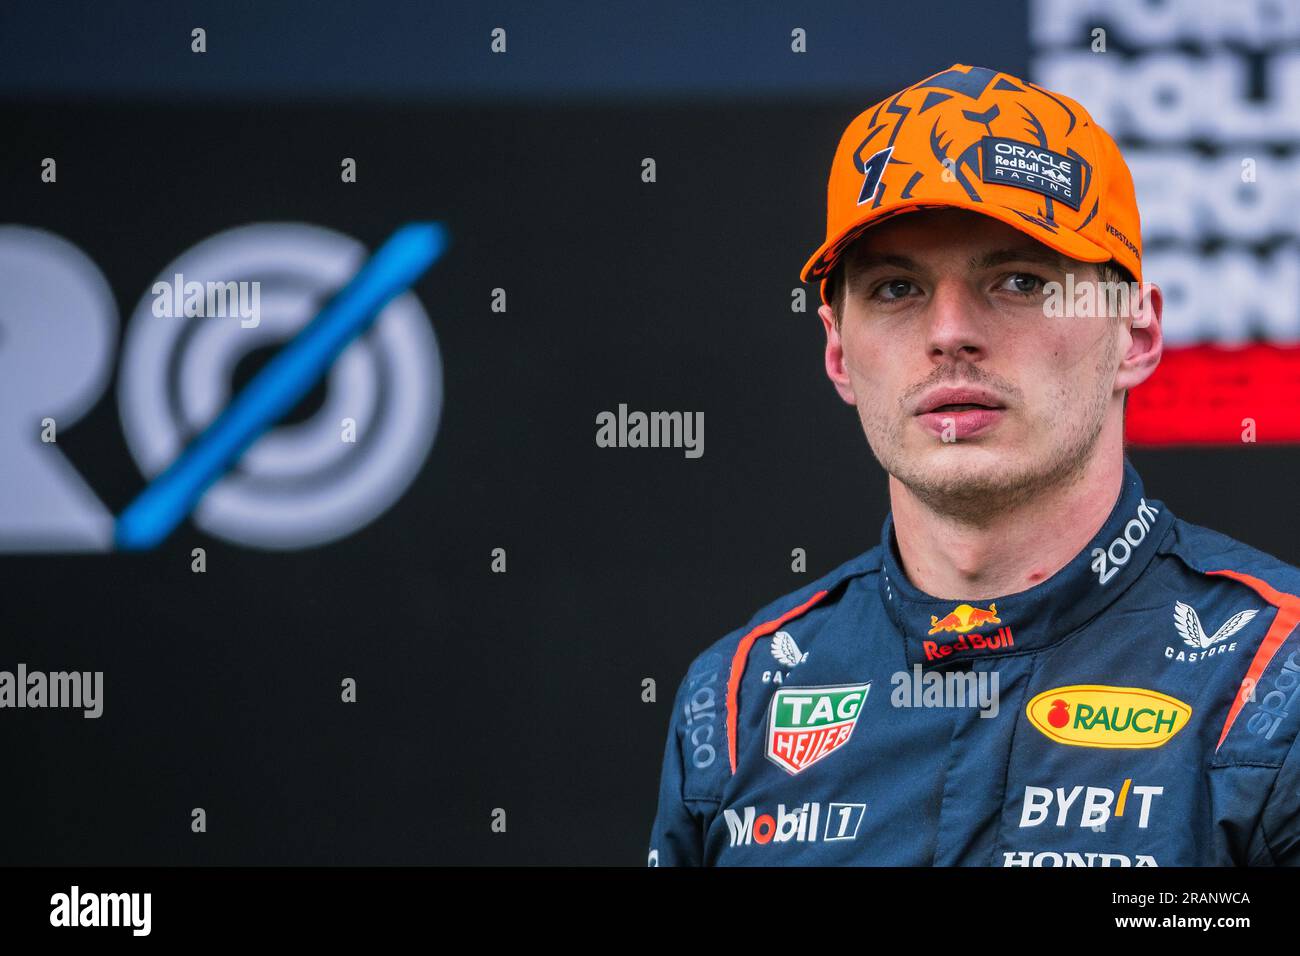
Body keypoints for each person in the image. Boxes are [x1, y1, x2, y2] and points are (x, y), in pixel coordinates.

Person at [647, 63, 1300, 866]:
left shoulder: (1277, 680)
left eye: (1019, 280)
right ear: (839, 353)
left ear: (1135, 335)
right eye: (895, 289)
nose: (949, 331)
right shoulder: (738, 696)